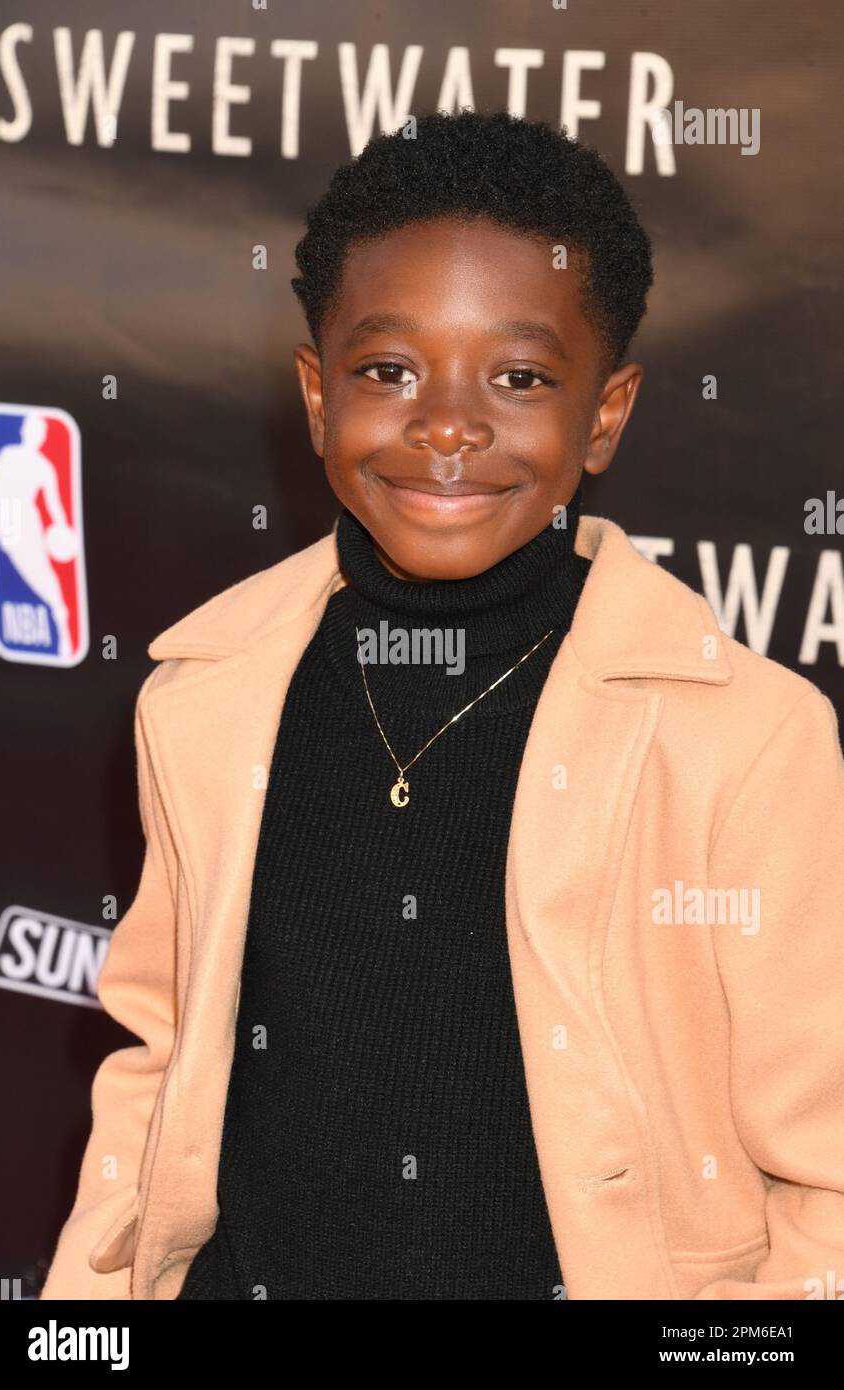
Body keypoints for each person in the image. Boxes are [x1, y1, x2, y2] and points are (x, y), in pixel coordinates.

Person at [42, 110, 844, 1302]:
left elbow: (825, 1181)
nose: (447, 426)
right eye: (387, 370)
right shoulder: (203, 699)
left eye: (518, 377)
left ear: (605, 413)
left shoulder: (742, 739)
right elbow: (159, 1067)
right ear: (316, 397)